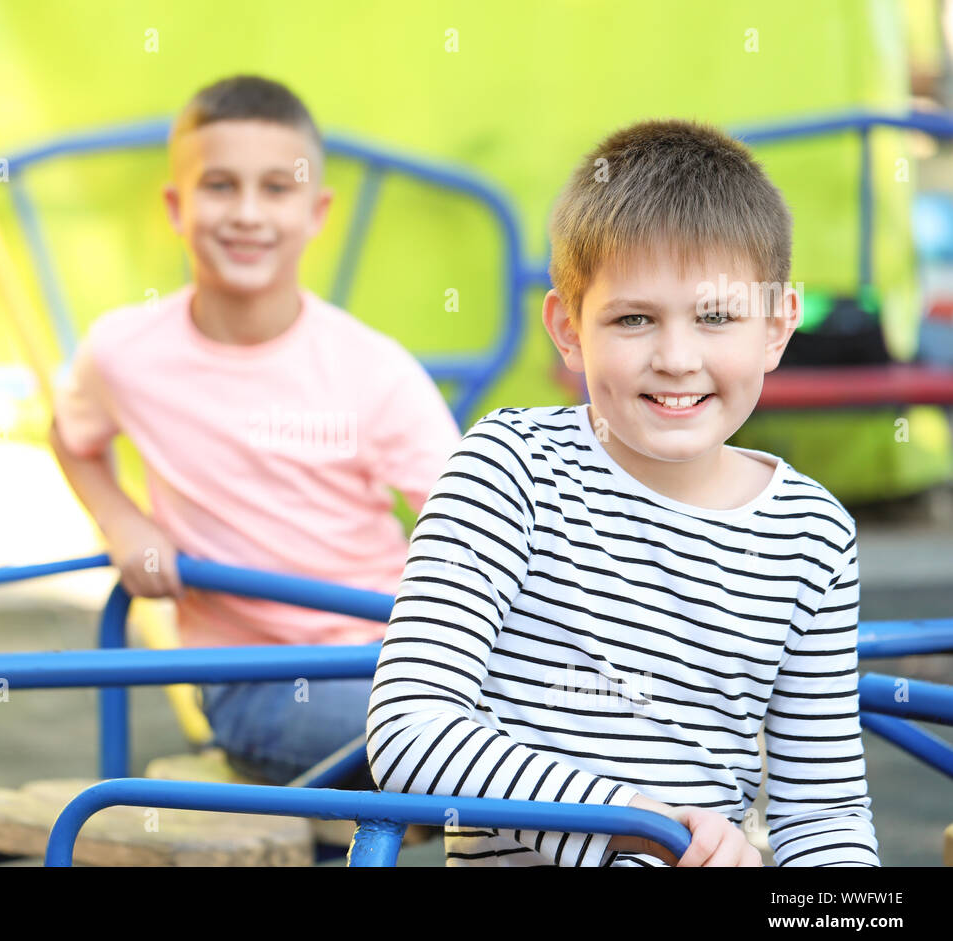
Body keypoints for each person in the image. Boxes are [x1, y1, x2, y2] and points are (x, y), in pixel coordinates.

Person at [367, 118, 881, 867]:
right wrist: (631, 820)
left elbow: (824, 813)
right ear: (568, 328)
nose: (676, 358)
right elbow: (411, 728)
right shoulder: (509, 469)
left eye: (715, 318)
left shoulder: (813, 534)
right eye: (634, 318)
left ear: (777, 325)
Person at [51, 75, 461, 788]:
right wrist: (123, 523)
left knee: (545, 727)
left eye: (276, 188)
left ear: (316, 211)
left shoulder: (373, 371)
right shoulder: (124, 352)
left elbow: (469, 523)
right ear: (177, 208)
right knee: (463, 745)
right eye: (219, 186)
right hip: (256, 681)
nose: (247, 213)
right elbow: (69, 435)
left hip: (395, 658)